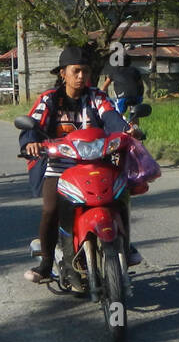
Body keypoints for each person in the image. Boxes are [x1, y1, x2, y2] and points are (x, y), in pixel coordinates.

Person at [20, 45, 143, 288]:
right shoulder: (49, 99)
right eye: (76, 71)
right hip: (60, 165)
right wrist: (31, 142)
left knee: (120, 196)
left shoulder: (97, 97)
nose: (81, 76)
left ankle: (124, 247)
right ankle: (46, 263)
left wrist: (127, 130)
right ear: (62, 74)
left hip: (97, 162)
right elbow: (32, 125)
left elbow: (111, 117)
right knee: (51, 209)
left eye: (85, 71)